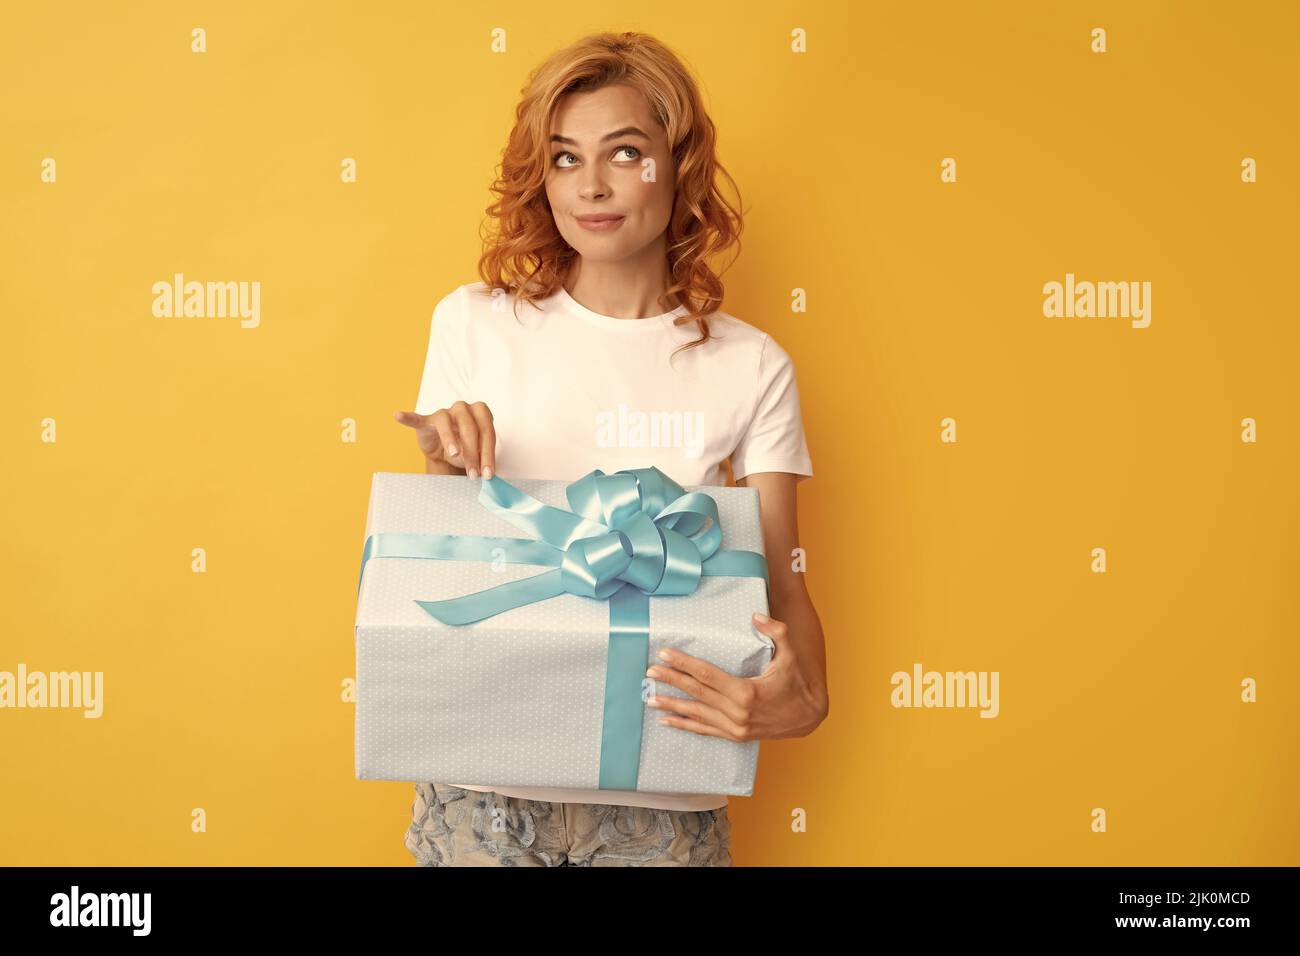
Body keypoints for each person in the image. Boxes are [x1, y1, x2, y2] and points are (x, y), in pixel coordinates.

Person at [393, 31, 828, 866]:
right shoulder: (473, 322)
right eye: (563, 159)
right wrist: (443, 461)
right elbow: (450, 552)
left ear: (680, 165)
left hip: (661, 800)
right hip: (482, 791)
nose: (590, 185)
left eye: (625, 152)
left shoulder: (752, 366)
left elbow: (786, 580)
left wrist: (801, 697)